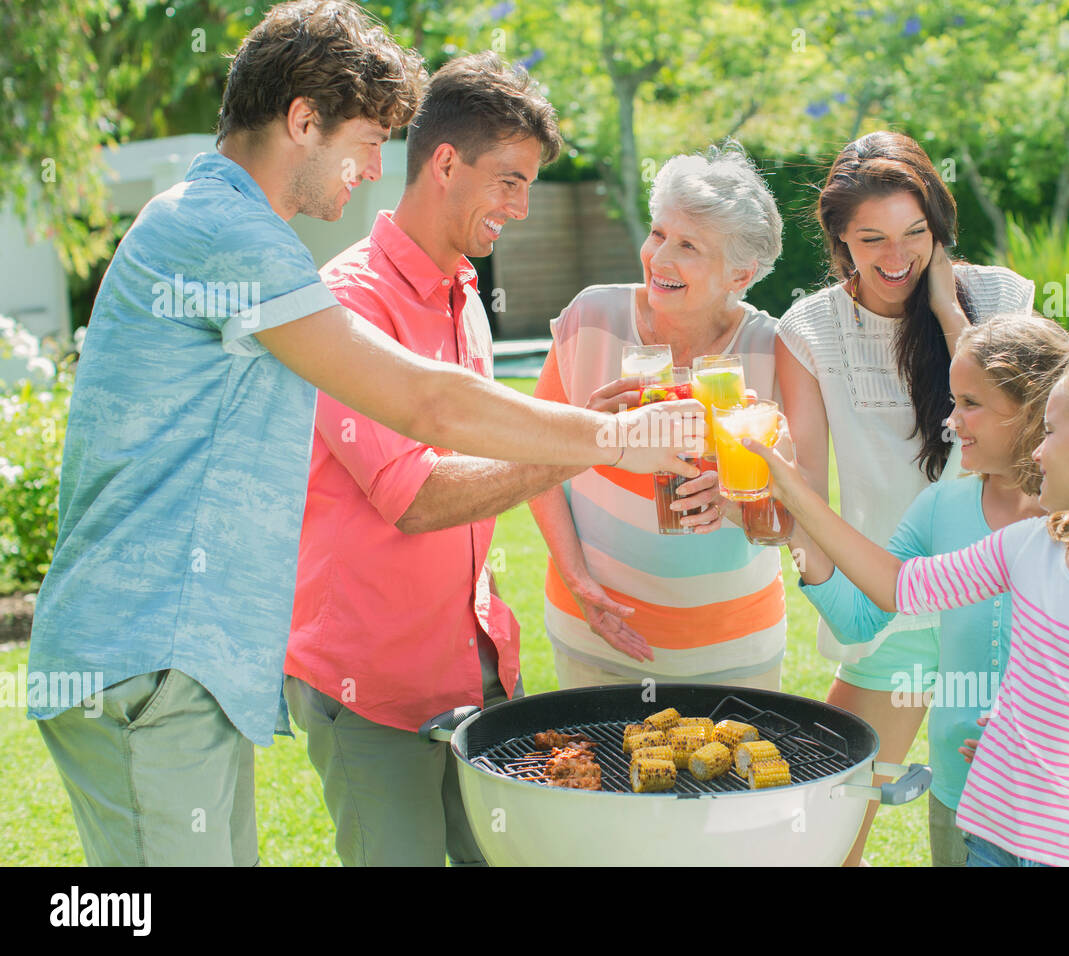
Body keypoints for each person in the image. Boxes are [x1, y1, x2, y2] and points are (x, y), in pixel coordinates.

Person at [27, 0, 700, 867]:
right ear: (302, 120)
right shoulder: (222, 231)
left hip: (178, 667)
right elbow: (425, 406)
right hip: (148, 656)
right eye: (367, 140)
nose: (378, 168)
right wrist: (613, 441)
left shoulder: (231, 229)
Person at [749, 348, 1069, 866]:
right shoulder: (1028, 547)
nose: (1036, 453)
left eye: (1050, 433)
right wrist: (792, 490)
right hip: (988, 839)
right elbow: (897, 588)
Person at [283, 52, 580, 867]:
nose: (519, 208)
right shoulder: (349, 306)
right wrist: (583, 445)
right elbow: (413, 497)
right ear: (445, 162)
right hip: (371, 685)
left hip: (476, 665)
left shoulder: (463, 292)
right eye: (509, 181)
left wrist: (576, 431)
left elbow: (479, 449)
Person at [775, 130, 1035, 863]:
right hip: (887, 606)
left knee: (987, 831)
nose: (897, 257)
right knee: (826, 819)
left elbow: (1033, 433)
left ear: (939, 229)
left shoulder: (1003, 300)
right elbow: (806, 484)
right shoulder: (812, 330)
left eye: (916, 234)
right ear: (838, 241)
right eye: (872, 239)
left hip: (1003, 605)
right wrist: (787, 531)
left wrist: (954, 316)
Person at [791, 314, 1069, 865]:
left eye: (970, 404)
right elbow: (860, 619)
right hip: (959, 793)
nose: (951, 421)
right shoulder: (942, 507)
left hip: (1060, 799)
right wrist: (794, 532)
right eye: (953, 400)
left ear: (1034, 412)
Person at [530, 146, 788, 689]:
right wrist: (579, 582)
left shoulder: (774, 350)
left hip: (733, 647)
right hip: (595, 629)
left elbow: (788, 521)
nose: (658, 257)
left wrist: (736, 497)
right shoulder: (591, 317)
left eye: (688, 245)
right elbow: (536, 458)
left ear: (740, 273)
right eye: (658, 233)